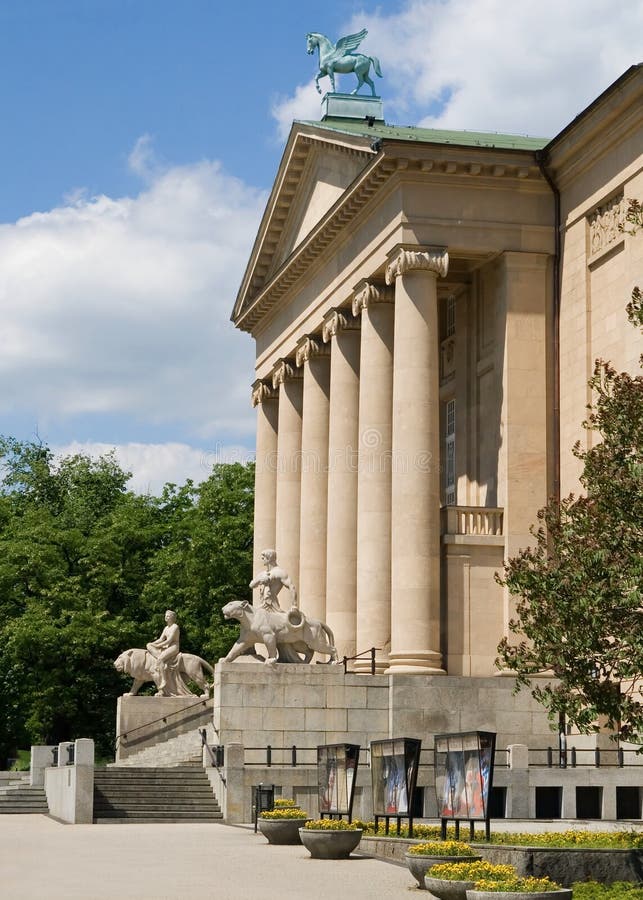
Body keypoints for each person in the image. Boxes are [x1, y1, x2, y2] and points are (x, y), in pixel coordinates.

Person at [146, 610, 180, 693]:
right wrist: (152, 644)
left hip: (173, 647)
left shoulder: (175, 627)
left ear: (172, 618)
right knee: (148, 645)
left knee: (160, 659)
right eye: (165, 616)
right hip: (166, 647)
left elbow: (169, 640)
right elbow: (161, 639)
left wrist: (157, 646)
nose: (166, 617)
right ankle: (161, 659)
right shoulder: (166, 628)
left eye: (168, 616)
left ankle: (163, 680)